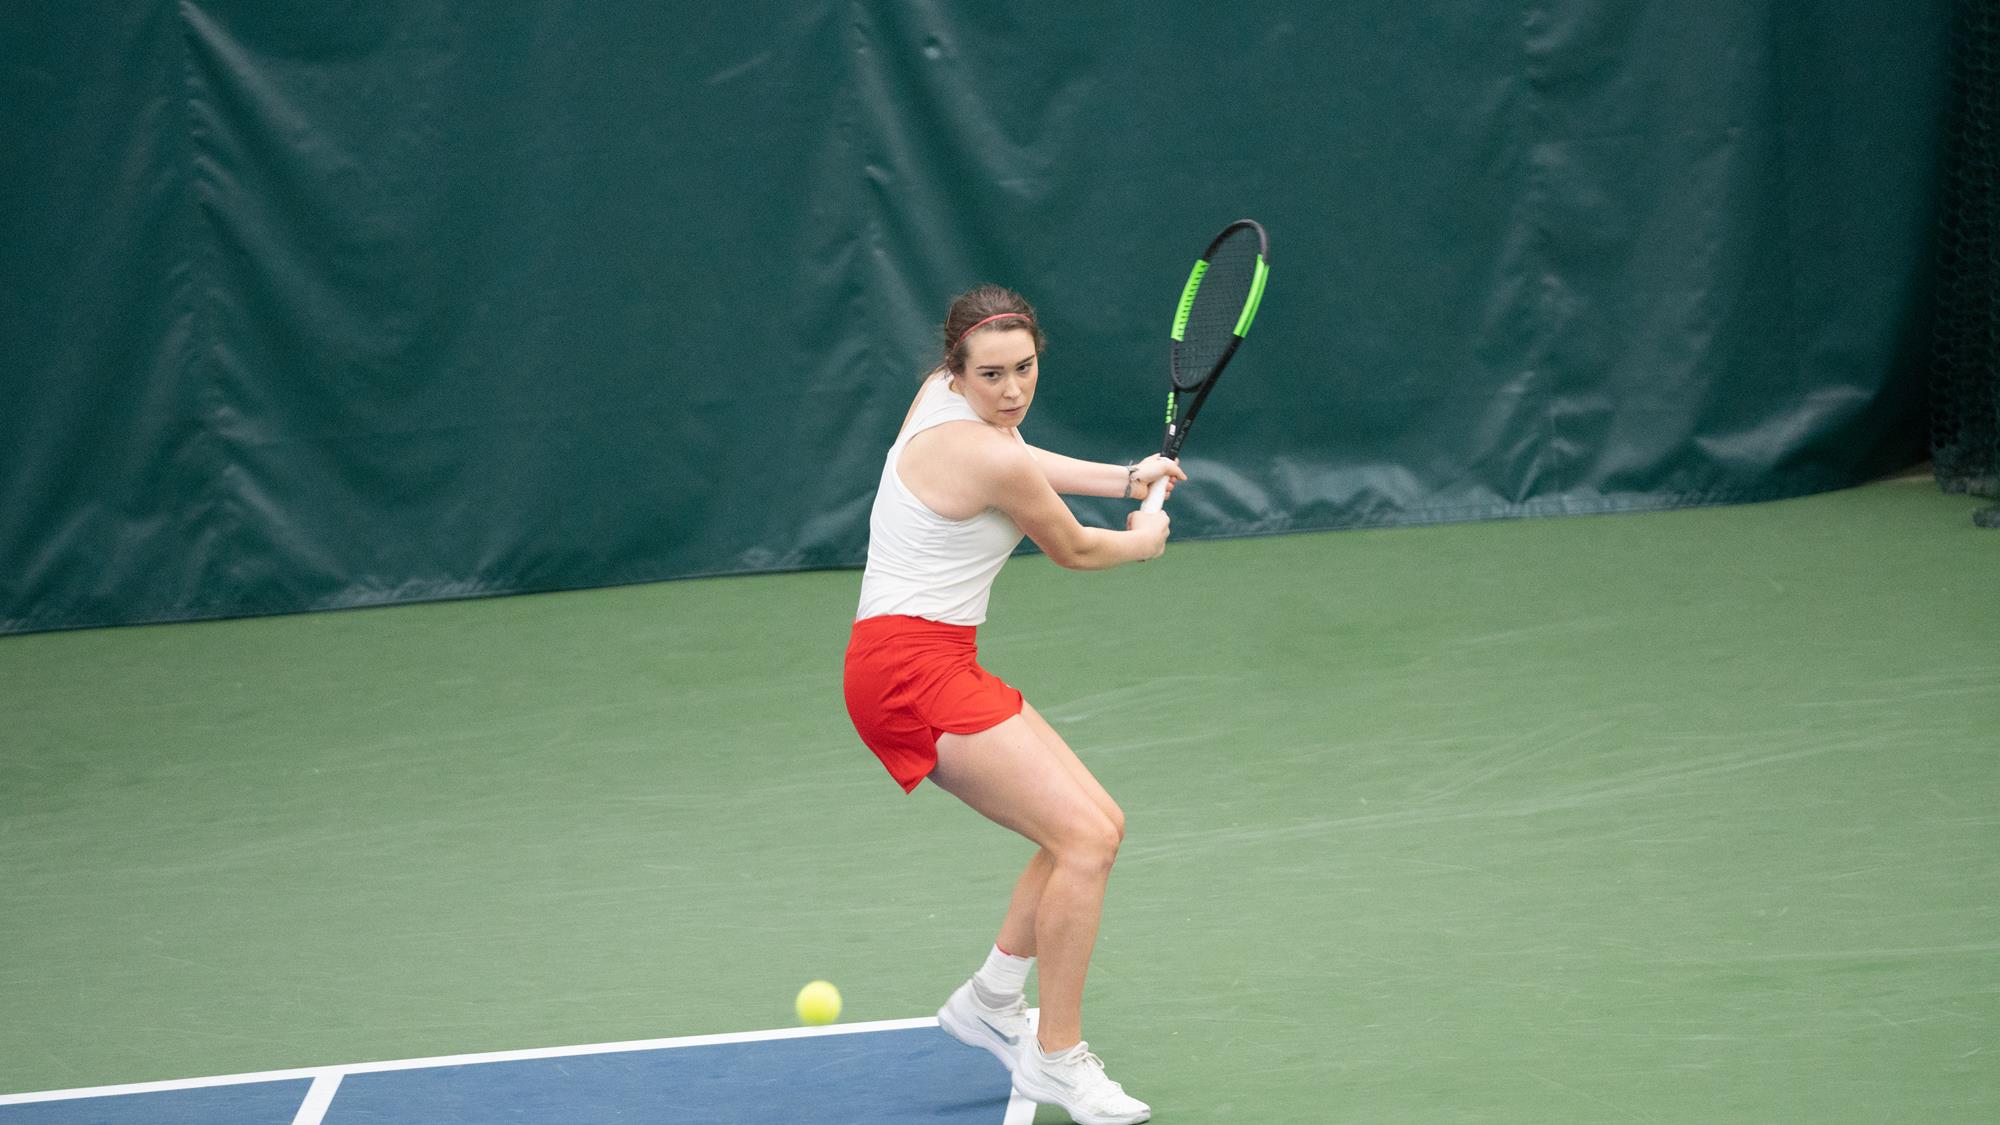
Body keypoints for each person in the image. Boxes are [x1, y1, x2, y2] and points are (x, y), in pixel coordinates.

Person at [842, 284, 1184, 1125]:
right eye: (990, 375)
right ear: (956, 371)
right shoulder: (981, 451)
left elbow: (1021, 457)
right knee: (1082, 841)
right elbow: (1073, 548)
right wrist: (1142, 539)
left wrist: (1127, 476)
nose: (1011, 390)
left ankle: (992, 1000)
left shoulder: (944, 400)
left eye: (1024, 368)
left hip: (927, 657)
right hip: (908, 673)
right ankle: (1056, 1057)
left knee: (1095, 827)